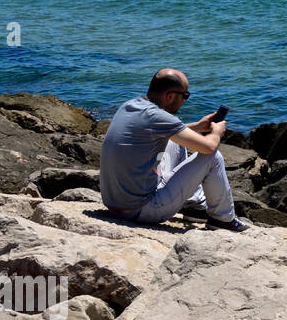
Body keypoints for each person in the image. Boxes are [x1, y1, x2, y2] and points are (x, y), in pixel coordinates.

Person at [99, 68, 248, 231]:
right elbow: (209, 147)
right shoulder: (159, 117)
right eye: (185, 95)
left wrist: (197, 127)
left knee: (175, 140)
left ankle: (194, 207)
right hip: (141, 210)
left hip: (114, 204)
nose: (185, 100)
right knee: (213, 156)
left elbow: (168, 130)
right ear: (169, 96)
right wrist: (216, 132)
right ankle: (223, 219)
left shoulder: (130, 105)